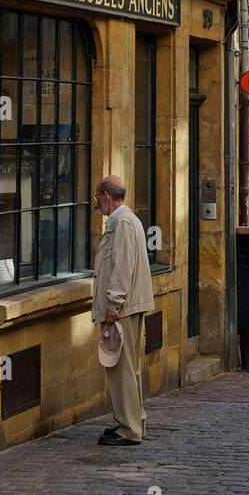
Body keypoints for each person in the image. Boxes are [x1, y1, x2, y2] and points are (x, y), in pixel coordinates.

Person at [93, 175, 155, 446]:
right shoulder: (125, 221)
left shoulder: (123, 223)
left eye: (98, 199)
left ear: (106, 196)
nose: (97, 205)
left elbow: (122, 267)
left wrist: (113, 304)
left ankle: (129, 428)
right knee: (128, 367)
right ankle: (132, 422)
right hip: (127, 306)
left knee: (121, 368)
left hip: (123, 308)